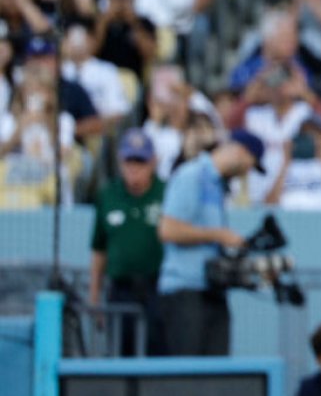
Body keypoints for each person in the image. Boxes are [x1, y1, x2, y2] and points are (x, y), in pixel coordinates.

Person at [156, 130, 264, 356]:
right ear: (240, 153)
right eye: (249, 164)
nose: (246, 173)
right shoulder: (191, 175)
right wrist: (218, 235)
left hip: (212, 292)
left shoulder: (218, 187)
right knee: (188, 377)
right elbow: (168, 230)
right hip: (185, 291)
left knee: (216, 377)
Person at [88, 128, 166, 356]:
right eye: (129, 161)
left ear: (152, 162)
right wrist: (95, 295)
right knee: (121, 353)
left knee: (159, 353)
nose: (134, 168)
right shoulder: (108, 195)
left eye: (140, 162)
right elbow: (99, 249)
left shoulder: (166, 193)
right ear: (121, 162)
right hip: (121, 290)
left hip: (157, 288)